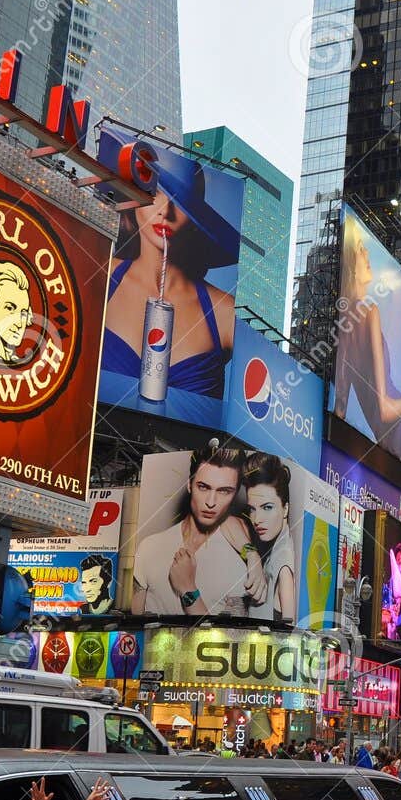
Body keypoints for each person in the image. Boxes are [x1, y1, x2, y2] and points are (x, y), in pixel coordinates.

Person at [103, 146, 238, 418]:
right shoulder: (101, 275)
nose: (165, 210)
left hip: (181, 445)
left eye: (181, 201)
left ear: (197, 218)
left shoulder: (224, 313)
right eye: (155, 193)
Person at [131, 441, 263, 616]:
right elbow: (135, 621)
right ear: (189, 485)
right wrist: (252, 553)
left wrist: (188, 589)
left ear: (235, 493)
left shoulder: (241, 564)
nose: (211, 502)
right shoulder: (149, 546)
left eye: (224, 491)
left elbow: (233, 632)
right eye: (203, 487)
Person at [333, 211, 401, 452]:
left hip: (384, 441)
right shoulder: (368, 311)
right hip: (400, 429)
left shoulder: (345, 326)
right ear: (351, 265)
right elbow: (384, 408)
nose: (367, 254)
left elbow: (339, 413)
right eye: (360, 250)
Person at [242, 452, 297, 623]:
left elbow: (288, 626)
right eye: (252, 509)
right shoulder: (276, 548)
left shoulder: (283, 561)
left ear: (285, 509)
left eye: (267, 507)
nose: (257, 519)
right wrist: (251, 554)